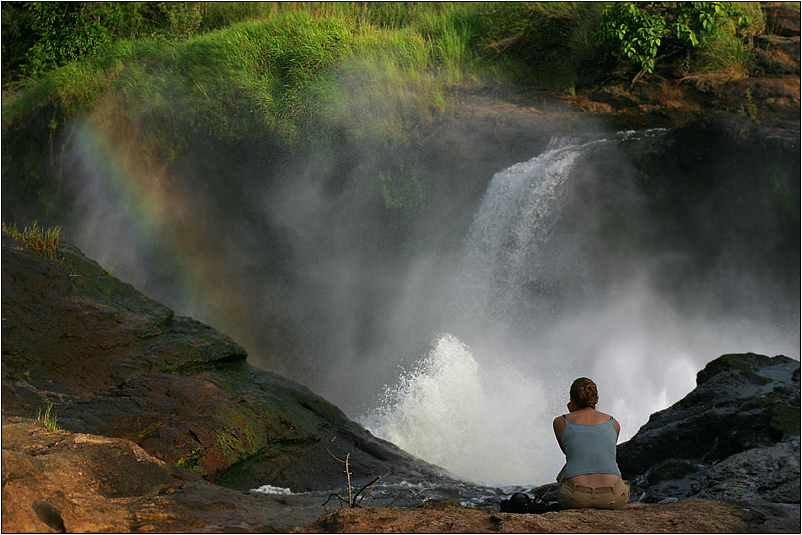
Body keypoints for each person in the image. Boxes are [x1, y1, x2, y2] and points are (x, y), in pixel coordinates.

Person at [552, 377, 630, 510]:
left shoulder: (560, 422)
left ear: (571, 400)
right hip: (613, 497)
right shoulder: (613, 423)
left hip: (576, 498)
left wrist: (572, 413)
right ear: (596, 399)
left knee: (567, 469)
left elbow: (569, 451)